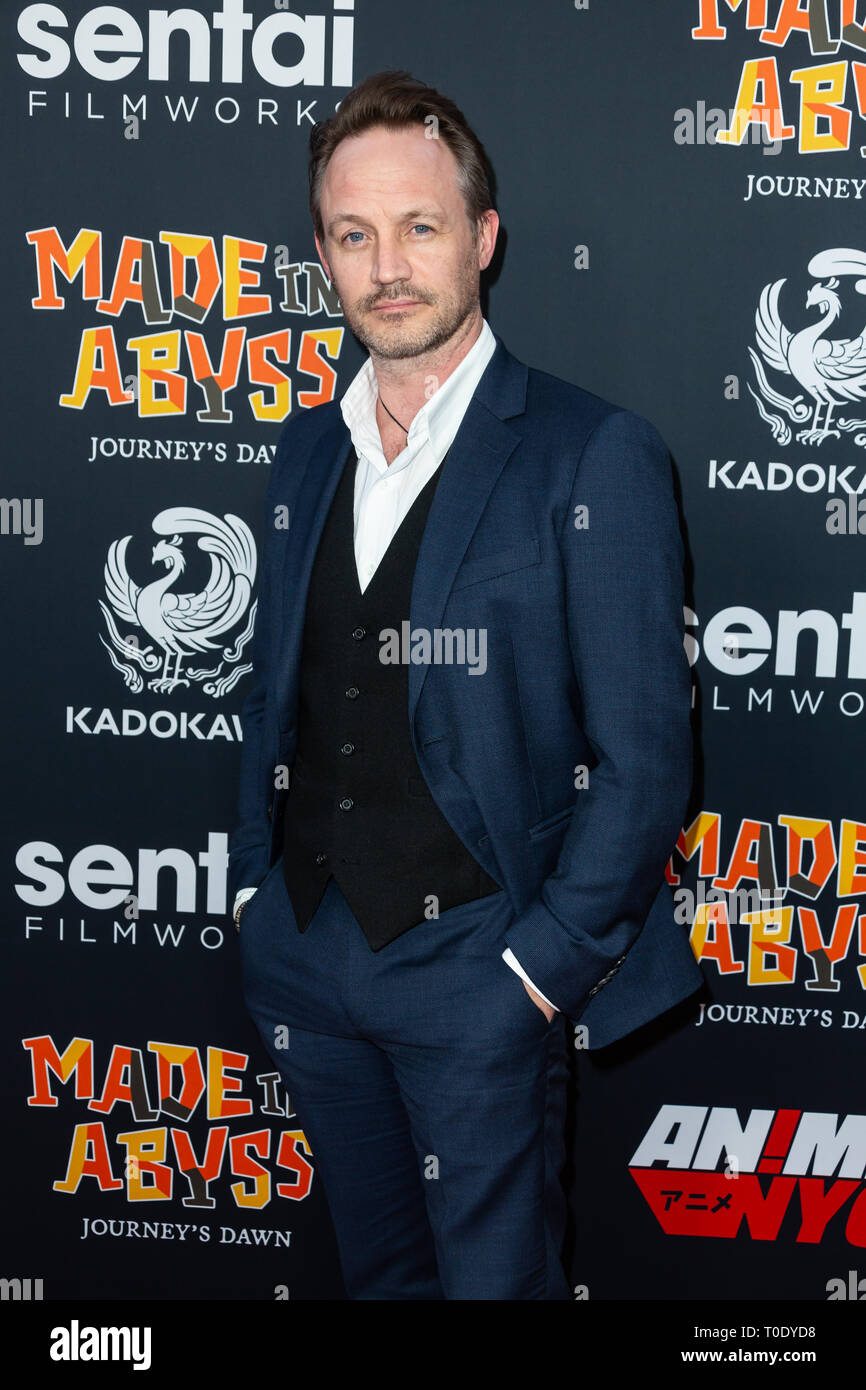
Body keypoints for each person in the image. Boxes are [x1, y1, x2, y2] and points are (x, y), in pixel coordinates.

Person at [229, 69, 702, 1300]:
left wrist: (535, 974)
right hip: (310, 955)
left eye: (419, 226)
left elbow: (645, 759)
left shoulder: (586, 452)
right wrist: (256, 900)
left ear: (482, 240)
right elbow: (284, 686)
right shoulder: (302, 448)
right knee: (379, 1277)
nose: (386, 264)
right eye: (353, 234)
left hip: (481, 976)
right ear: (324, 257)